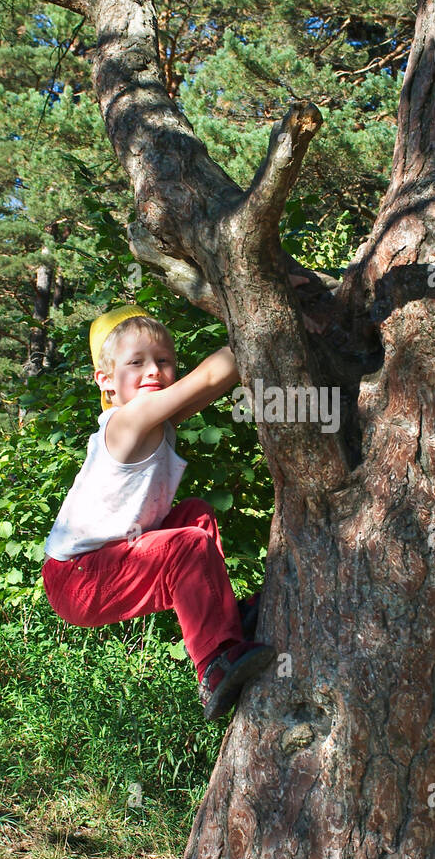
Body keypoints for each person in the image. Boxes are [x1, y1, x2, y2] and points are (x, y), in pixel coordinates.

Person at [41, 303, 274, 721]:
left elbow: (208, 386)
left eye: (163, 361)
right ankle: (214, 666)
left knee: (196, 515)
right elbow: (204, 377)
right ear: (107, 382)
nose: (152, 371)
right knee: (187, 545)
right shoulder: (128, 421)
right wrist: (260, 314)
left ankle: (224, 623)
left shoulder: (156, 418)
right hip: (77, 577)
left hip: (105, 562)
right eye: (137, 363)